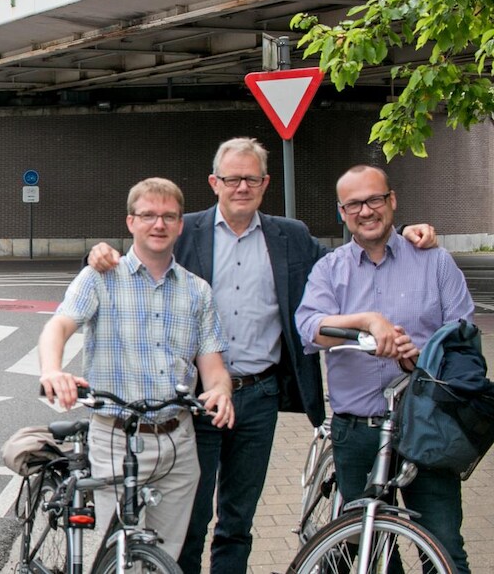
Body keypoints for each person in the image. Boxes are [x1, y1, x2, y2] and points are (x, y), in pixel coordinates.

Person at [85, 138, 437, 574]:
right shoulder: (182, 228)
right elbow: (137, 256)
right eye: (232, 178)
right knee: (190, 521)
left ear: (266, 183)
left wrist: (403, 235)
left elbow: (349, 263)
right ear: (215, 182)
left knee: (238, 520)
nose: (241, 187)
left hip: (257, 397)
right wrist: (99, 253)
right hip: (196, 397)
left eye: (251, 178)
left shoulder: (289, 236)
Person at [40, 177, 235, 563]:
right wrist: (52, 370)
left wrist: (221, 391)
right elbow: (59, 325)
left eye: (168, 216)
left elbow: (213, 366)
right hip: (115, 440)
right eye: (148, 215)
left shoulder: (198, 291)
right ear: (131, 222)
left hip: (179, 444)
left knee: (164, 557)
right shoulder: (100, 277)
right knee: (110, 557)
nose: (158, 224)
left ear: (181, 224)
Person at [296, 165, 474, 573]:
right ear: (342, 212)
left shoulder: (435, 262)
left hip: (427, 425)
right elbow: (308, 328)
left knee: (443, 545)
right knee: (369, 549)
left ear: (392, 201)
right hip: (356, 430)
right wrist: (366, 321)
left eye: (374, 199)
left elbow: (464, 341)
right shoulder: (331, 270)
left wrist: (420, 358)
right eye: (354, 204)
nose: (366, 210)